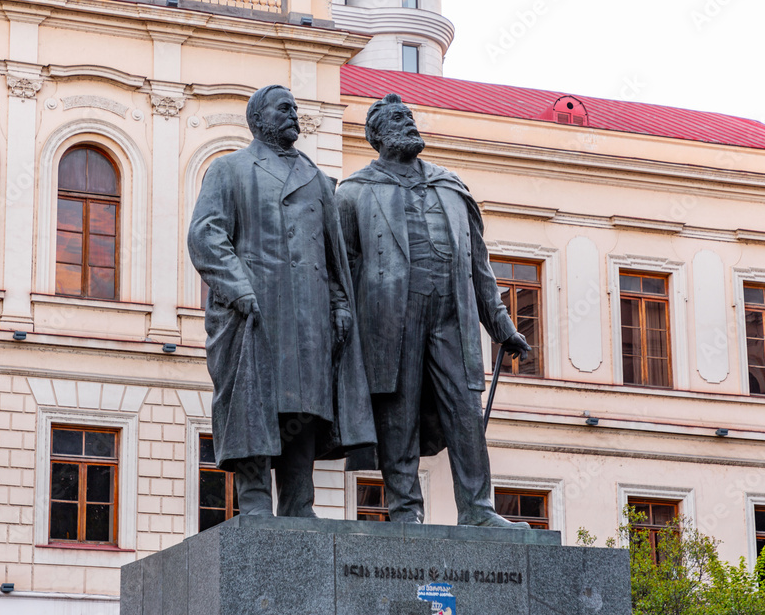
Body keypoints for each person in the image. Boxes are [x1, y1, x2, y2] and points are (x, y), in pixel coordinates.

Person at [336, 93, 531, 527]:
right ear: (376, 136)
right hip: (389, 320)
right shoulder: (353, 193)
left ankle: (478, 509)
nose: (408, 124)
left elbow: (478, 266)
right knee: (398, 413)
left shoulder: (452, 187)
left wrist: (500, 326)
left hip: (451, 315)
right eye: (396, 119)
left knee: (465, 410)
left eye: (409, 117)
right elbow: (341, 272)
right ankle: (406, 510)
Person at [188, 85, 374, 519]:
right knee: (255, 403)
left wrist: (341, 305)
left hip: (310, 313)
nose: (294, 114)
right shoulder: (230, 170)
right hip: (254, 308)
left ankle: (299, 504)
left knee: (303, 407)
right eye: (284, 108)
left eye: (296, 107)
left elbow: (334, 257)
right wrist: (238, 287)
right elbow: (206, 235)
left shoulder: (315, 177)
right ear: (259, 119)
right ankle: (254, 503)